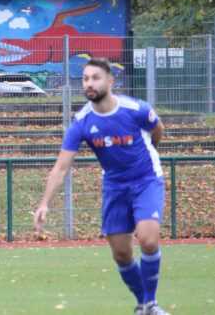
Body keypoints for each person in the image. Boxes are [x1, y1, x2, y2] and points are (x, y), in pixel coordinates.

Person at [33, 57, 168, 315]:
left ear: (110, 81)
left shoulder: (135, 109)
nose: (89, 84)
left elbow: (157, 129)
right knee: (121, 254)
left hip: (146, 180)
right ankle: (144, 305)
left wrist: (151, 152)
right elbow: (61, 167)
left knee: (148, 240)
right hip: (115, 186)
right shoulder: (82, 121)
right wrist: (44, 204)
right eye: (85, 79)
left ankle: (150, 305)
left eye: (95, 78)